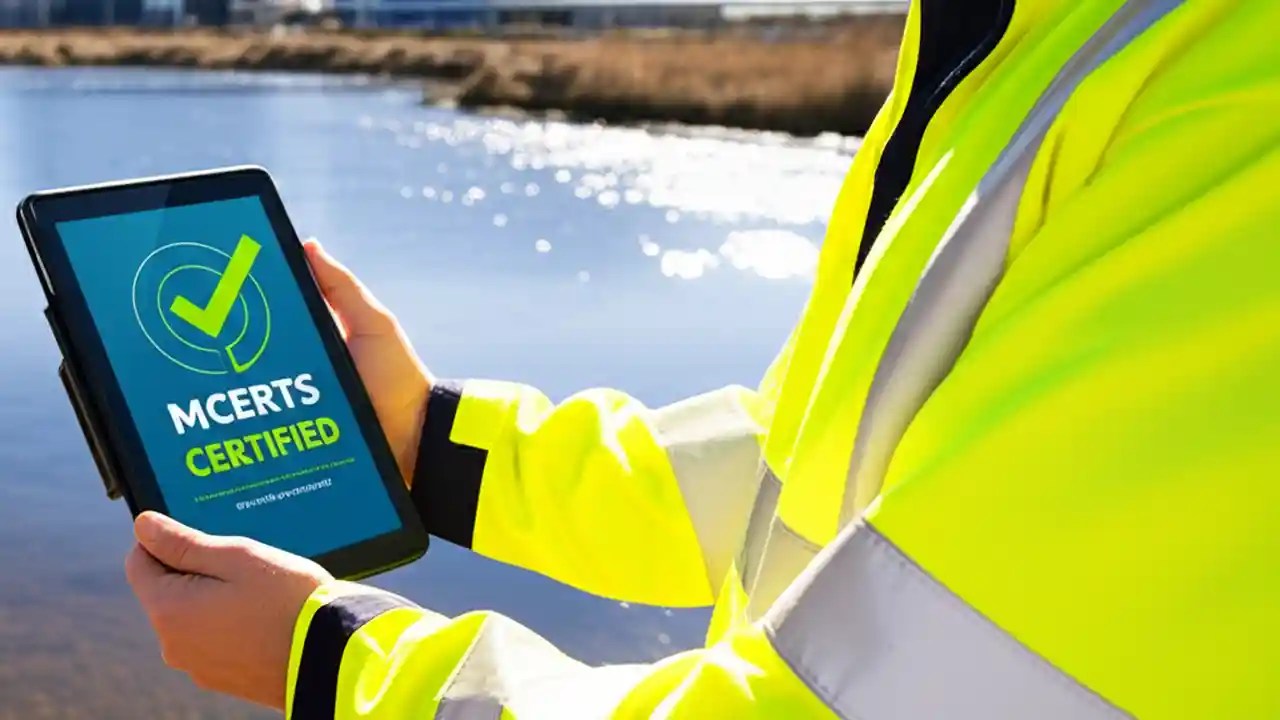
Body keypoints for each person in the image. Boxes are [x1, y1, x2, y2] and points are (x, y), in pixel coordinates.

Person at [125, 0, 1280, 717]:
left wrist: (339, 671)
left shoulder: (1231, 80)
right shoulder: (1010, 43)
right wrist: (434, 443)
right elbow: (801, 471)